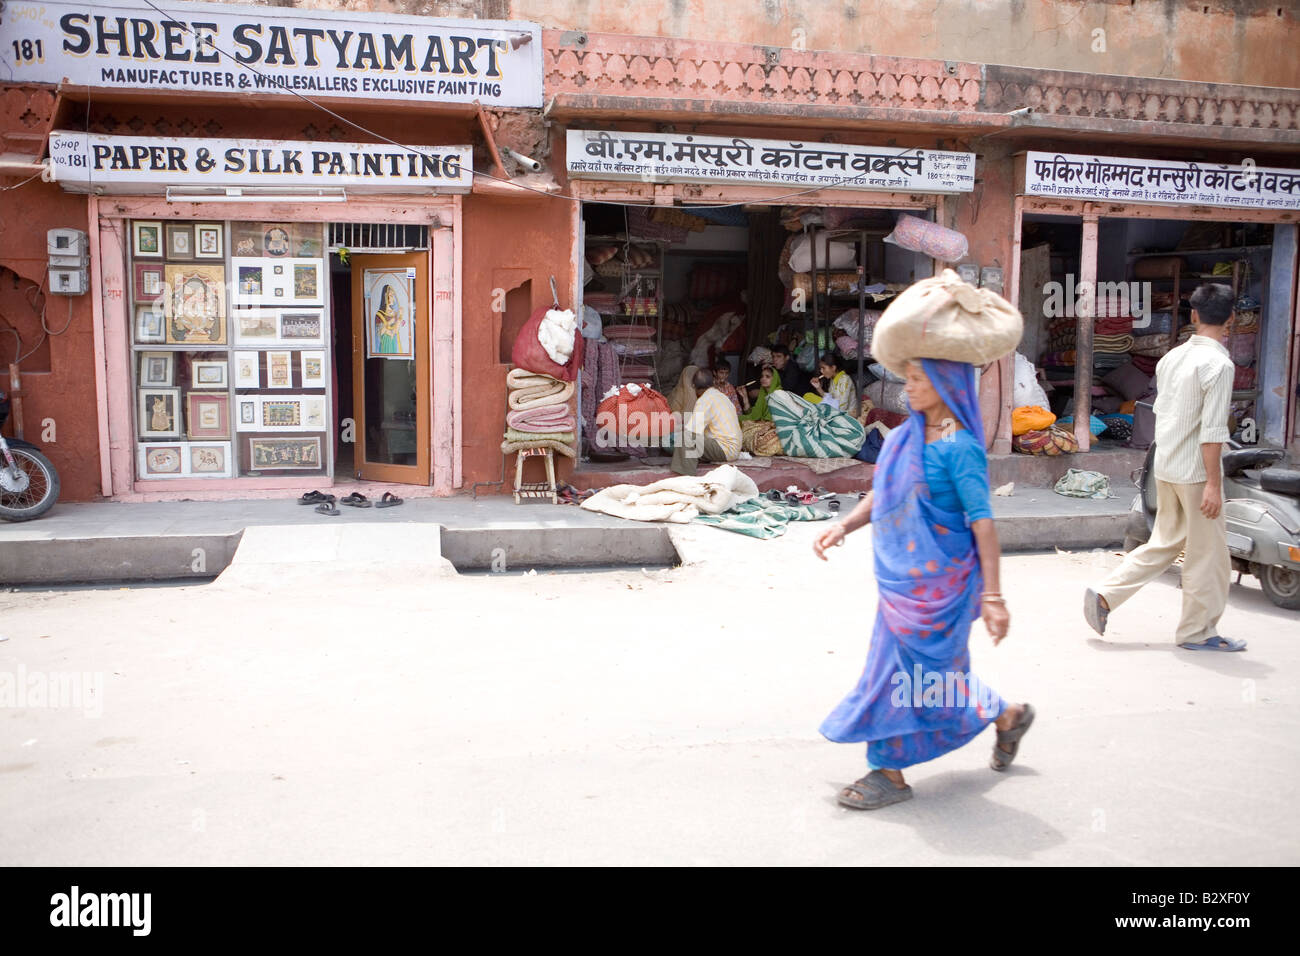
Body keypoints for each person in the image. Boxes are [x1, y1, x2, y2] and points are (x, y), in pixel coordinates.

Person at [813, 357, 1033, 809]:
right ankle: (1005, 714)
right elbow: (886, 489)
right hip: (901, 587)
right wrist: (845, 526)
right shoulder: (907, 435)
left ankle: (888, 773)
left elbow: (983, 524)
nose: (908, 387)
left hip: (942, 591)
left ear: (946, 383)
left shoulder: (959, 446)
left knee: (915, 677)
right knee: (916, 676)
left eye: (918, 379)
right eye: (908, 377)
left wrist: (993, 597)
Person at [1084, 283, 1242, 651]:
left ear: (1193, 316)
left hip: (1165, 464)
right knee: (1209, 555)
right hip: (1196, 473)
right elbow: (1214, 430)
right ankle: (1198, 633)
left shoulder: (1173, 357)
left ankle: (1105, 593)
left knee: (1167, 542)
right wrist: (1214, 486)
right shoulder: (1218, 364)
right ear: (1231, 318)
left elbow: (1160, 412)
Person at [670, 368, 742, 475]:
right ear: (712, 383)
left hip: (725, 449)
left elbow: (692, 432)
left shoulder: (704, 400)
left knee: (685, 438)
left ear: (694, 387)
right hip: (733, 448)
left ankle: (686, 477)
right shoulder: (721, 396)